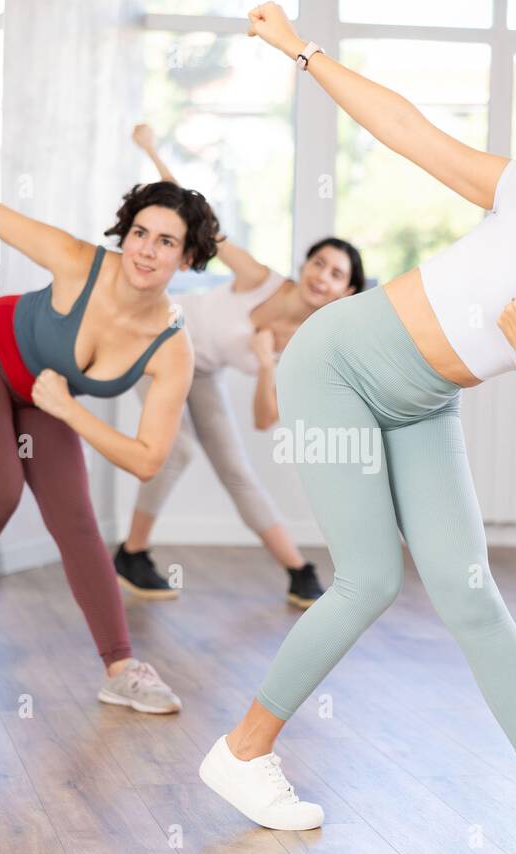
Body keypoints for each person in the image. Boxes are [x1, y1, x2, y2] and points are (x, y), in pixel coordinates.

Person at [198, 3, 516, 854]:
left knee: (472, 594)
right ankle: (243, 751)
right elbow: (409, 131)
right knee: (369, 579)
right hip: (333, 366)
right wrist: (302, 50)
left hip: (422, 403)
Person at [0, 98, 219, 712]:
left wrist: (67, 407)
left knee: (78, 521)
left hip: (43, 397)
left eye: (165, 242)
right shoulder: (80, 262)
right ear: (126, 232)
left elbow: (145, 461)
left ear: (187, 258)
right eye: (140, 232)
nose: (145, 250)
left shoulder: (173, 348)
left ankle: (121, 667)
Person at [115, 122, 365, 609]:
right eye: (319, 264)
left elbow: (264, 419)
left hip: (199, 371)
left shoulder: (307, 348)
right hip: (159, 341)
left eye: (336, 275)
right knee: (178, 450)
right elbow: (200, 219)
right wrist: (152, 149)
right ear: (304, 265)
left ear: (347, 293)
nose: (323, 277)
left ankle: (298, 571)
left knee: (237, 471)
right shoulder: (259, 279)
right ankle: (132, 551)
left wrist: (267, 362)